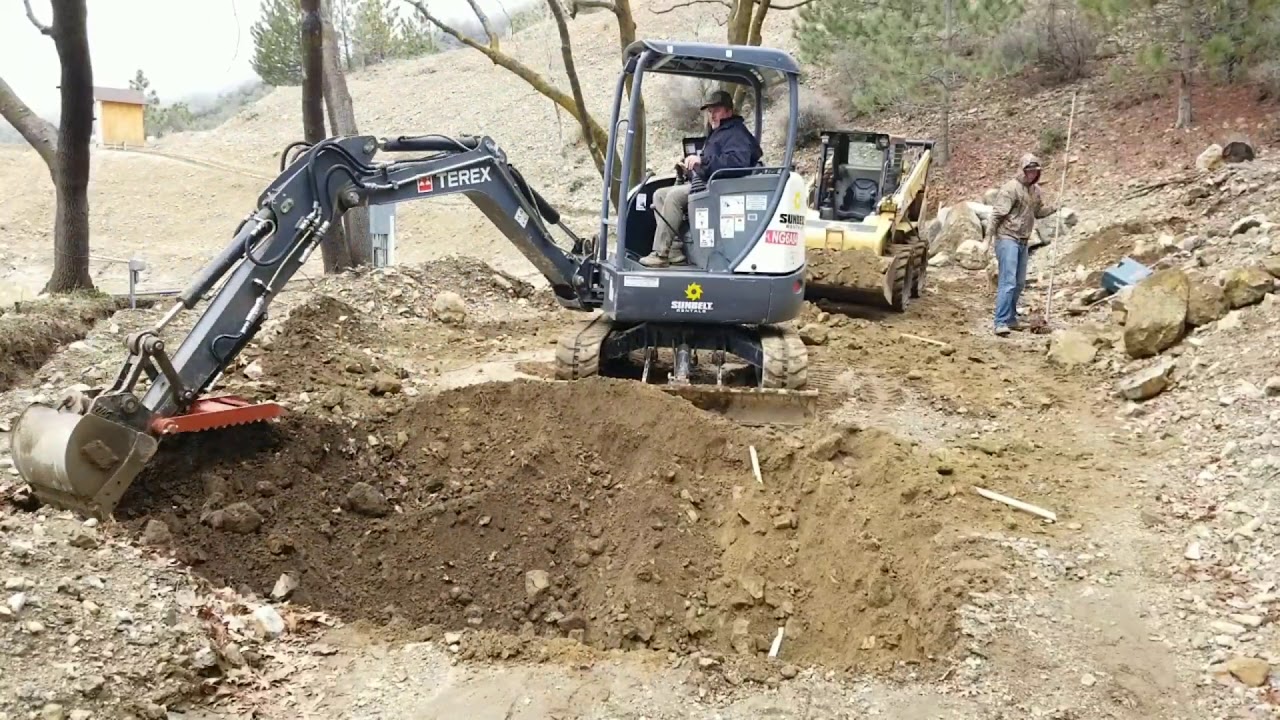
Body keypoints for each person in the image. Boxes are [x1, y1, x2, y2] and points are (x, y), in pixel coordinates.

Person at [640, 89, 762, 268]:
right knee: (659, 195)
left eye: (716, 110)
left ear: (729, 111)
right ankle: (674, 250)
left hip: (721, 188)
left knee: (673, 197)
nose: (712, 115)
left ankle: (660, 254)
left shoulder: (735, 133)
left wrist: (702, 160)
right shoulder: (719, 132)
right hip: (708, 183)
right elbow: (711, 164)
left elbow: (737, 162)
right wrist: (689, 168)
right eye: (710, 112)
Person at [985, 153, 1057, 336]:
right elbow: (996, 215)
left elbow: (1038, 212)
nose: (1032, 174)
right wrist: (987, 239)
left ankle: (1010, 318)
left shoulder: (1035, 191)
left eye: (1035, 171)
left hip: (1023, 240)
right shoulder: (1010, 189)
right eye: (1029, 171)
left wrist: (1054, 208)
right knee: (1007, 282)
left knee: (1018, 283)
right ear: (1022, 170)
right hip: (1007, 238)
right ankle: (1000, 321)